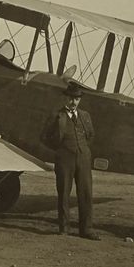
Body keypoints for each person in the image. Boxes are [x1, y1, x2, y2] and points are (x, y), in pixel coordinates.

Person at [40, 83, 99, 240]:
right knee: (64, 193)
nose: (74, 102)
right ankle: (64, 228)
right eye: (71, 98)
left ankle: (86, 230)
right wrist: (60, 149)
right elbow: (44, 137)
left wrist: (83, 149)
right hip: (65, 158)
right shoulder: (56, 116)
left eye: (77, 99)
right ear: (65, 98)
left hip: (83, 158)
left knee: (86, 193)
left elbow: (91, 135)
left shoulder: (85, 116)